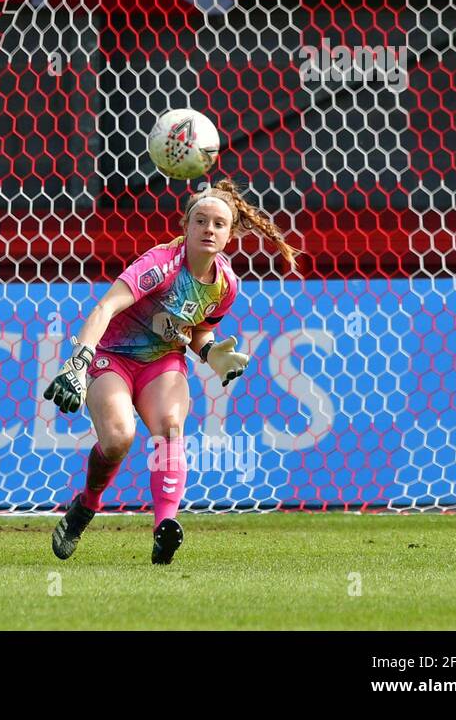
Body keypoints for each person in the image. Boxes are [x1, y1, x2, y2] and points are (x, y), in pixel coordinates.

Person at [44, 179, 298, 564]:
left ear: (229, 236)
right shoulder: (159, 265)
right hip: (112, 356)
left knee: (171, 429)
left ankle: (165, 526)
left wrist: (211, 352)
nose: (208, 230)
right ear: (185, 225)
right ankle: (87, 505)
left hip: (162, 361)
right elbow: (105, 308)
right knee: (118, 439)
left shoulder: (226, 285)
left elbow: (198, 328)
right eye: (200, 221)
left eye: (218, 224)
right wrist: (77, 364)